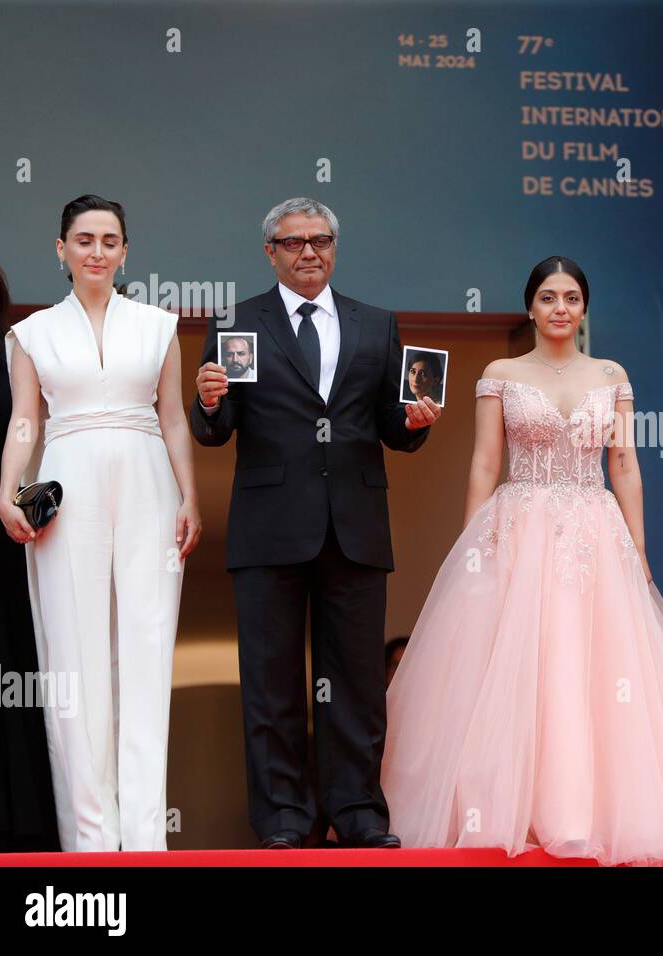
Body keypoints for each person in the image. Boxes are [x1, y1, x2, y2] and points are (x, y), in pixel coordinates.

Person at [380, 256, 663, 865]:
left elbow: (625, 465)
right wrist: (474, 544)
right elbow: (485, 462)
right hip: (518, 522)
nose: (561, 308)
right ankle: (509, 811)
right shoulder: (500, 372)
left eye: (572, 298)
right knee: (515, 665)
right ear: (530, 306)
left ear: (584, 309)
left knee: (591, 669)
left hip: (593, 526)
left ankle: (586, 815)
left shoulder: (611, 374)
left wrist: (637, 548)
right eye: (549, 297)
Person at [191, 198, 439, 850]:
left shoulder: (375, 325)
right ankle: (283, 819)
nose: (309, 252)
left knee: (356, 684)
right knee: (271, 687)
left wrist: (412, 425)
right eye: (294, 241)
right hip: (268, 529)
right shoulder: (239, 321)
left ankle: (358, 813)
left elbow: (391, 424)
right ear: (269, 251)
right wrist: (209, 402)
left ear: (334, 247)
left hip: (354, 527)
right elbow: (217, 429)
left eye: (321, 240)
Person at [0, 196, 202, 851]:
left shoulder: (158, 325)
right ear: (60, 249)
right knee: (75, 655)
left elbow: (173, 417)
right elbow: (25, 420)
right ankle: (90, 838)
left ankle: (145, 838)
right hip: (68, 483)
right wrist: (8, 492)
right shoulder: (30, 334)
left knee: (145, 651)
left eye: (109, 240)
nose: (96, 251)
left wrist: (190, 498)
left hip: (149, 482)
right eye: (83, 240)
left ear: (125, 250)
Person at [0, 244, 59, 853]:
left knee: (11, 670)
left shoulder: (16, 353)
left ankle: (17, 829)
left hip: (4, 529)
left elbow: (38, 433)